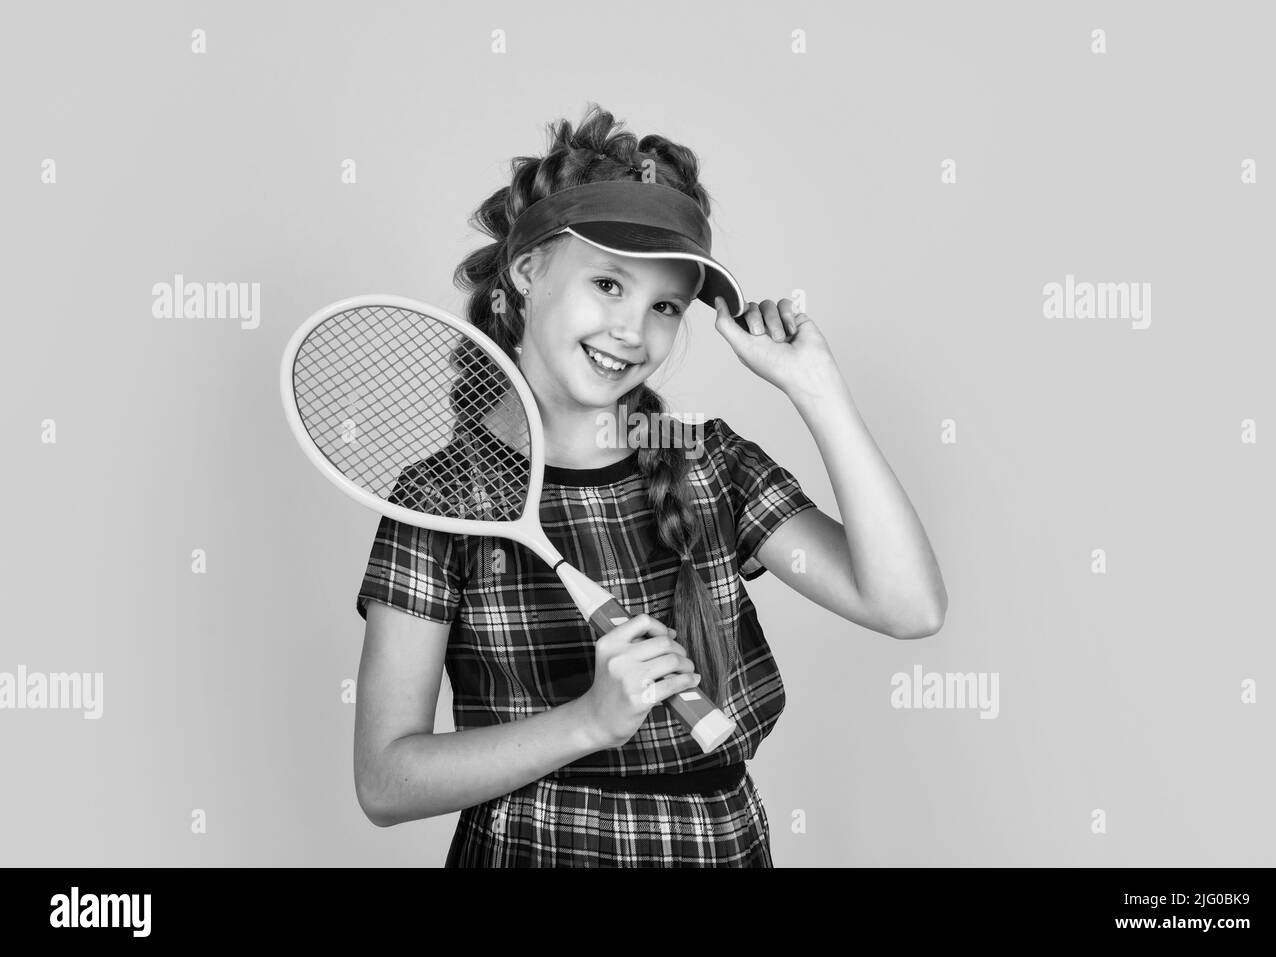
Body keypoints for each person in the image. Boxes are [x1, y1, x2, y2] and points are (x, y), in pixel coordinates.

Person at [352, 104, 947, 866]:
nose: (633, 330)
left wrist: (818, 390)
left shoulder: (710, 463)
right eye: (607, 283)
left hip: (720, 846)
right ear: (527, 270)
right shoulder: (441, 499)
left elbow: (909, 607)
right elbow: (385, 779)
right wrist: (590, 720)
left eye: (664, 305)